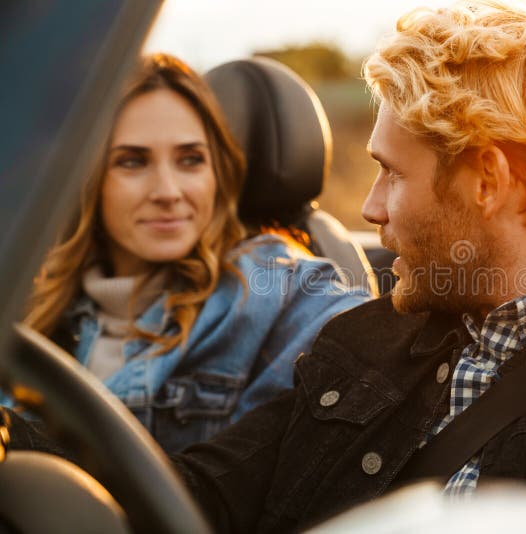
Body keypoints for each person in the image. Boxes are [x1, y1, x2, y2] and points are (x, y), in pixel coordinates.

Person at [6, 2, 526, 532]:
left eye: (391, 172)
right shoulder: (360, 345)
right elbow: (192, 496)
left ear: (487, 181)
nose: (373, 210)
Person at [9, 53, 370, 453]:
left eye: (190, 160)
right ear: (87, 180)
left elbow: (363, 340)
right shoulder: (34, 300)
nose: (167, 191)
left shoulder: (273, 285)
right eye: (132, 161)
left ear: (218, 173)